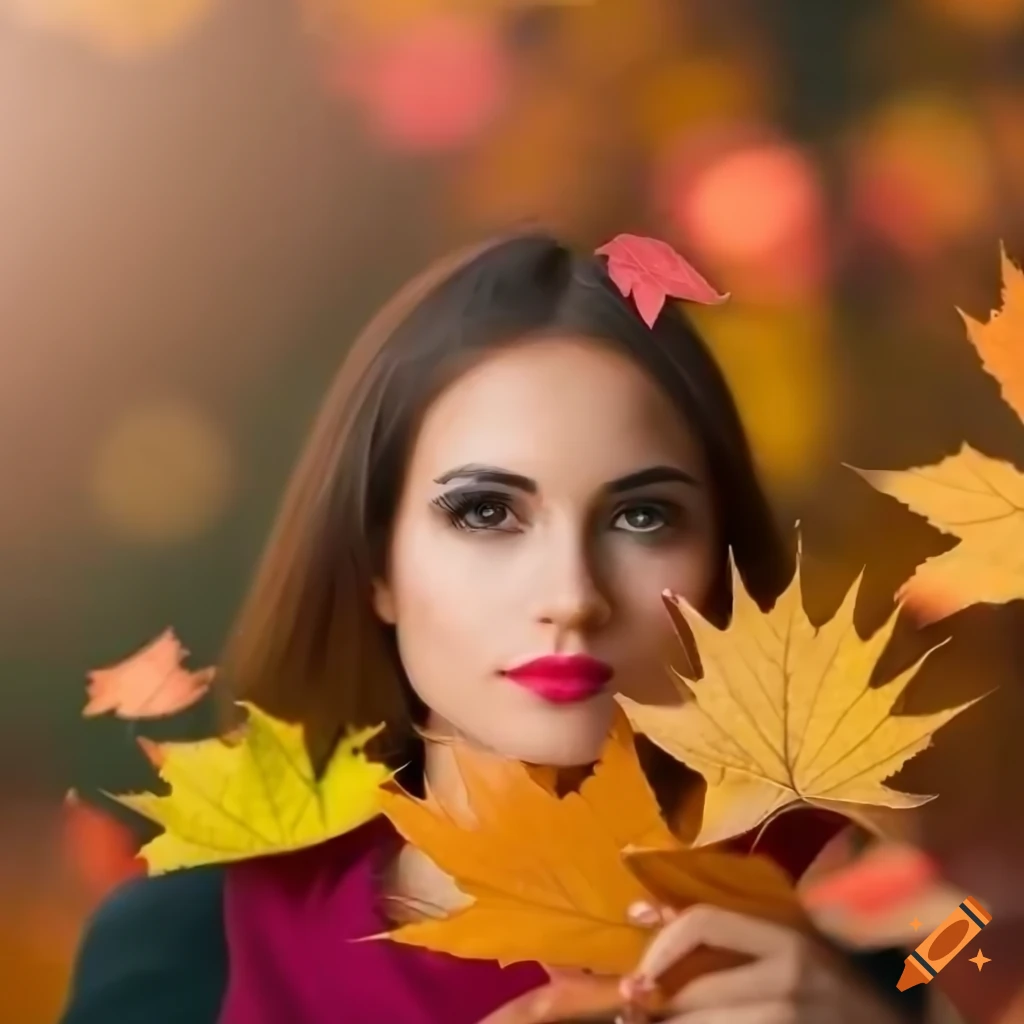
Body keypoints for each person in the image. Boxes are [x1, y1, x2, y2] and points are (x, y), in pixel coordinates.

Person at [61, 233, 924, 1024]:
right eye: (484, 513)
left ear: (723, 559)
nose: (573, 594)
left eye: (643, 517)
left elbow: (995, 969)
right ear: (375, 566)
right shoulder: (185, 948)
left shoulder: (877, 901)